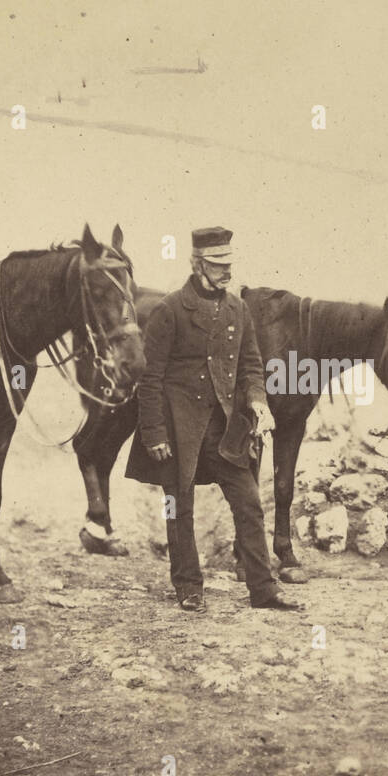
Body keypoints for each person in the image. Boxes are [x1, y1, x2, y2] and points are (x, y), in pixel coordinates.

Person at [124, 227, 301, 613]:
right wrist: (154, 433)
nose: (226, 272)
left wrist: (258, 401)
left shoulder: (238, 309)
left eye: (228, 264)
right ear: (196, 264)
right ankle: (188, 586)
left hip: (226, 432)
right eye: (218, 265)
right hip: (177, 430)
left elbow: (251, 365)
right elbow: (150, 378)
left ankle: (263, 590)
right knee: (179, 509)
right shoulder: (169, 309)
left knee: (250, 504)